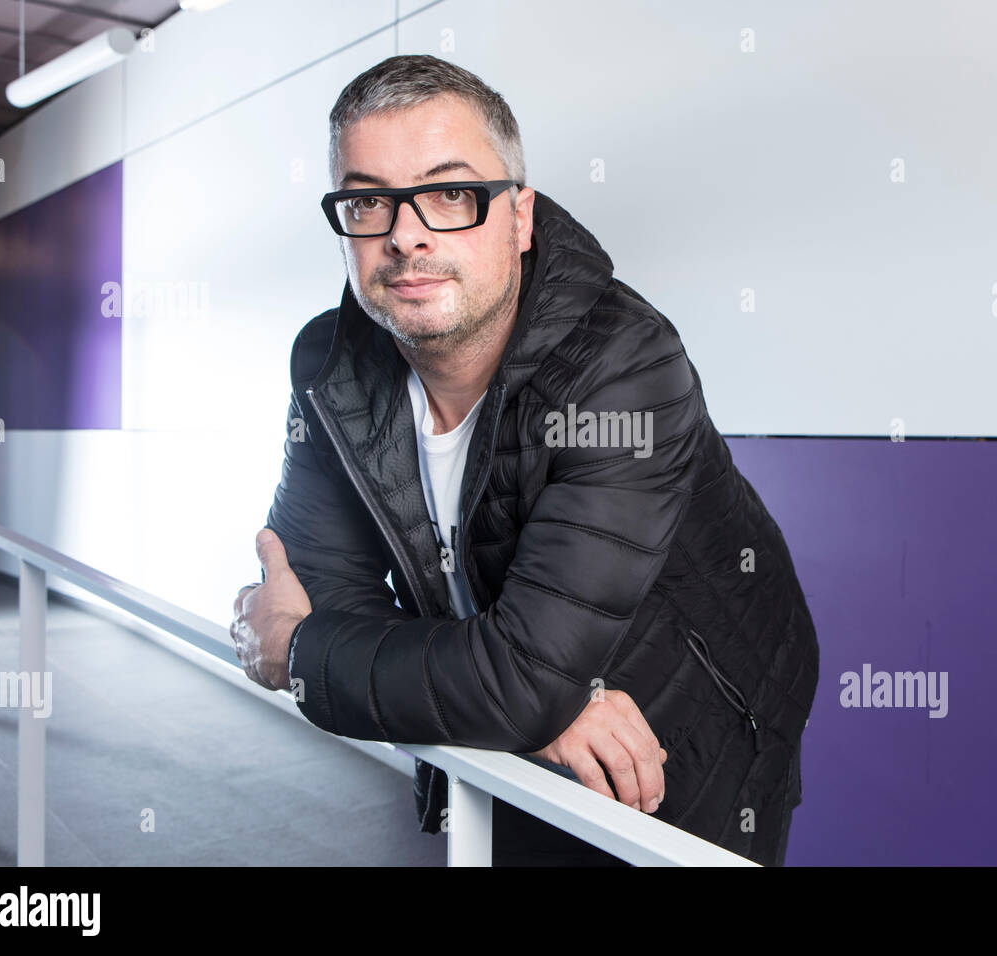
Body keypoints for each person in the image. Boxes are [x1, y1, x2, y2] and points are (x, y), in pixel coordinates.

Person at [229, 54, 819, 867]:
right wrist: (534, 698)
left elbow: (323, 631)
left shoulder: (625, 367)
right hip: (530, 722)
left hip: (696, 723)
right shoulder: (332, 366)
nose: (407, 234)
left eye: (449, 193)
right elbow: (326, 593)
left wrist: (297, 652)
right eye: (369, 199)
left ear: (519, 218)